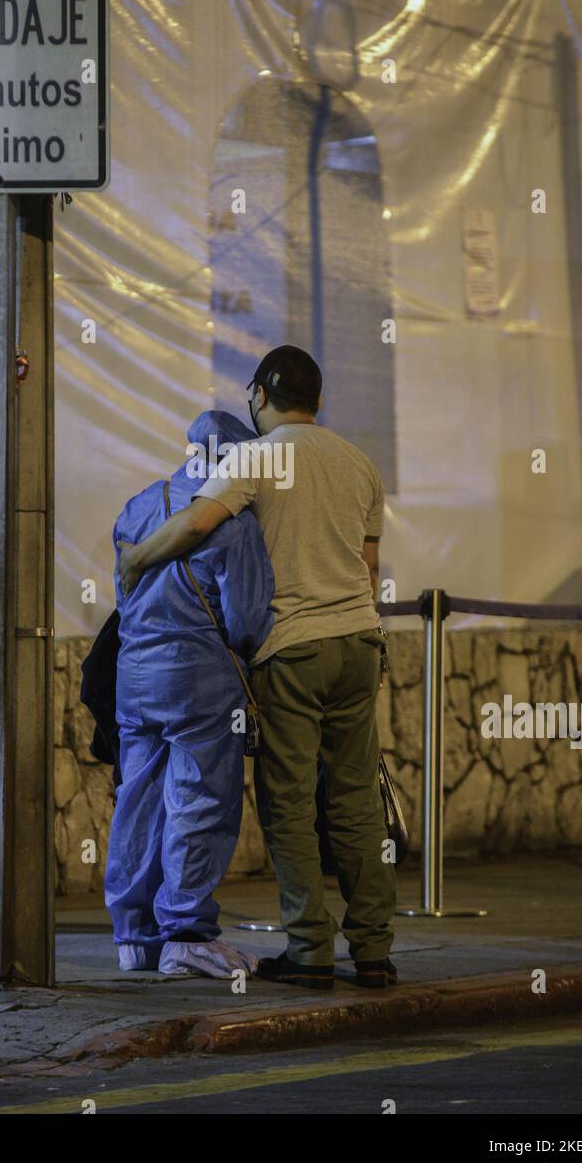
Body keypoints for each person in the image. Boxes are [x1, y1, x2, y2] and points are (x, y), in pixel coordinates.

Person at [118, 346, 397, 992]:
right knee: (355, 801)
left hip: (293, 650)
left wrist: (137, 563)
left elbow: (196, 523)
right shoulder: (358, 463)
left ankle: (310, 950)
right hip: (358, 641)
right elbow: (369, 567)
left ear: (258, 398)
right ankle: (374, 951)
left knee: (290, 804)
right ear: (317, 400)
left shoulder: (256, 456)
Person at [106, 410, 274, 978]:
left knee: (137, 802)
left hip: (133, 677)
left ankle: (134, 939)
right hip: (199, 679)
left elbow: (123, 592)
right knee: (199, 801)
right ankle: (185, 934)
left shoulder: (137, 505)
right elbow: (247, 620)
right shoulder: (235, 522)